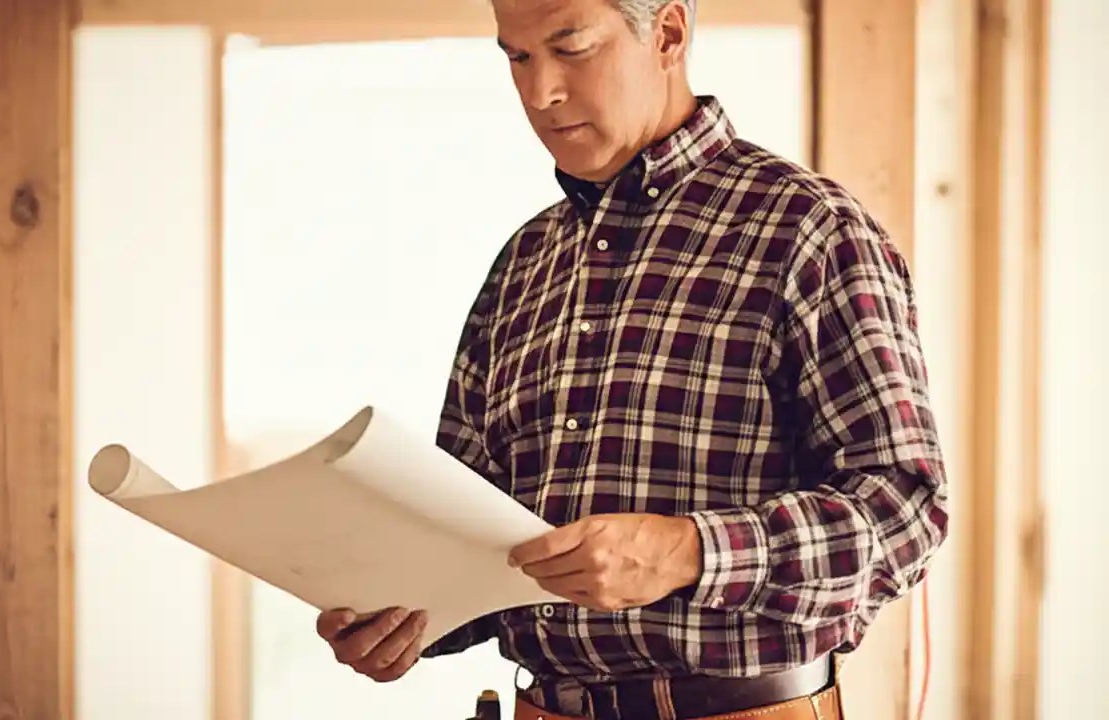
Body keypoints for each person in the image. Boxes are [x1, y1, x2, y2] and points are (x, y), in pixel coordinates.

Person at [315, 0, 949, 717]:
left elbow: (905, 513)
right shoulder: (525, 262)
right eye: (517, 58)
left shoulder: (809, 231)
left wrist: (689, 553)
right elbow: (471, 533)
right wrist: (404, 616)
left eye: (571, 47)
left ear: (669, 34)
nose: (539, 92)